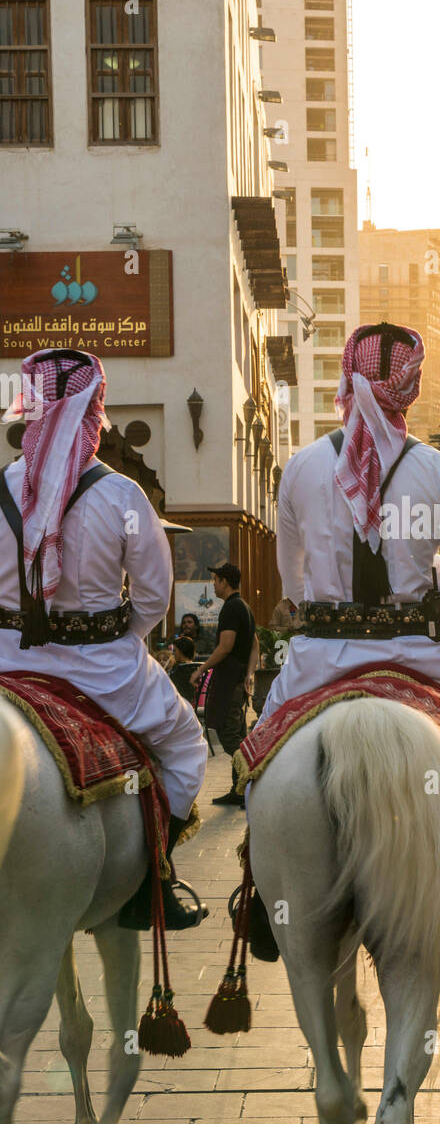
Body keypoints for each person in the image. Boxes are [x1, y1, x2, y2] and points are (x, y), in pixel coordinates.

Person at [260, 321, 440, 827]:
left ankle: (258, 890)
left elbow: (294, 589)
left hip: (319, 657)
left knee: (259, 754)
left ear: (346, 375)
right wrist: (426, 584)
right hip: (422, 653)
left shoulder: (299, 468)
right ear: (411, 386)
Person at [0, 349, 208, 928]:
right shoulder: (122, 496)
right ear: (98, 407)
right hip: (102, 670)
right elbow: (152, 594)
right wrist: (121, 641)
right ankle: (155, 880)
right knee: (186, 741)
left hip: (5, 664)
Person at [190, 563, 258, 805]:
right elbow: (255, 645)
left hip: (229, 680)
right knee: (236, 732)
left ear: (225, 582)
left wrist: (201, 668)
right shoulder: (244, 607)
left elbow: (225, 646)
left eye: (216, 579)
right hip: (238, 679)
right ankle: (238, 790)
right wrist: (249, 673)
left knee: (228, 734)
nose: (213, 583)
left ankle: (254, 780)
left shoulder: (231, 608)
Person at [169, 635, 199, 706]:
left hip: (180, 705)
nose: (173, 653)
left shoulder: (179, 669)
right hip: (194, 704)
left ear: (181, 651)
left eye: (175, 650)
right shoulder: (196, 667)